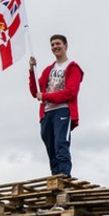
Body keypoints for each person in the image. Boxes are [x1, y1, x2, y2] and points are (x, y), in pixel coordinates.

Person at [28, 34, 84, 177]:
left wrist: (46, 96)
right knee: (51, 146)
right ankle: (55, 177)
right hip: (47, 113)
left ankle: (64, 176)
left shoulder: (73, 68)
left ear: (65, 46)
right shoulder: (48, 70)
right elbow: (36, 92)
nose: (55, 47)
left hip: (63, 110)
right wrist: (31, 71)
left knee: (61, 143)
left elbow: (70, 93)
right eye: (52, 45)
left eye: (58, 43)